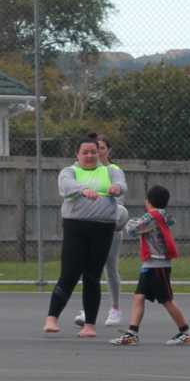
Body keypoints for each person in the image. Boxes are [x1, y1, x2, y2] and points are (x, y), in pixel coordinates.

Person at [44, 137, 123, 338]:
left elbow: (122, 185)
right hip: (76, 227)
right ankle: (52, 318)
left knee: (92, 276)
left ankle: (89, 325)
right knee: (69, 273)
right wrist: (83, 190)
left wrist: (117, 189)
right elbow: (66, 186)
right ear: (77, 155)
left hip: (103, 228)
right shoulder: (70, 171)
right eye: (85, 152)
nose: (89, 156)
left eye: (93, 152)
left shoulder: (111, 171)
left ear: (100, 153)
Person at [109, 184, 190, 347]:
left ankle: (186, 332)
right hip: (152, 264)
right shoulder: (162, 215)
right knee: (139, 297)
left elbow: (133, 229)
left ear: (148, 201)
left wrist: (126, 219)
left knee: (166, 300)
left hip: (157, 265)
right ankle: (132, 333)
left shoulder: (153, 217)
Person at [81, 134, 129, 328]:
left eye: (101, 148)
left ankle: (115, 308)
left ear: (108, 151)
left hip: (110, 226)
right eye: (95, 148)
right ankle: (88, 309)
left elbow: (118, 201)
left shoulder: (114, 171)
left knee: (109, 267)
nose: (97, 151)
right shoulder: (87, 171)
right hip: (90, 225)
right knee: (90, 268)